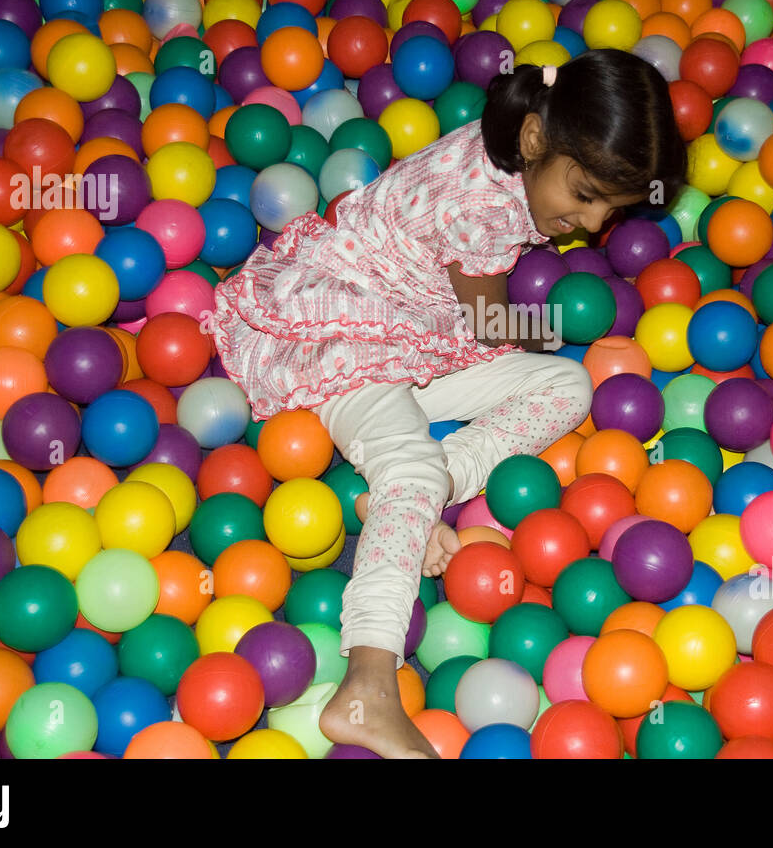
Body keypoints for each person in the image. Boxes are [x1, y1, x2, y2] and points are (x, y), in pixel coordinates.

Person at [211, 48, 687, 757]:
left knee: (566, 386)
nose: (590, 225)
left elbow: (472, 327)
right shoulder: (480, 206)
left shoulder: (517, 155)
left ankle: (420, 494)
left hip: (410, 333)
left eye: (610, 210)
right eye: (584, 194)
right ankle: (368, 685)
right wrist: (556, 326)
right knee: (414, 465)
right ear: (534, 141)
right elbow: (491, 325)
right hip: (335, 332)